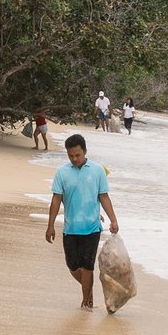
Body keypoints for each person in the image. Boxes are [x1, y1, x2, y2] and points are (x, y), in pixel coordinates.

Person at [44, 133, 118, 311]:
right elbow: (56, 200)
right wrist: (50, 225)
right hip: (71, 228)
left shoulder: (97, 170)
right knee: (72, 265)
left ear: (85, 151)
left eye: (78, 155)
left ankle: (86, 303)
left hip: (92, 227)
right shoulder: (62, 172)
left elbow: (104, 197)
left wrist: (113, 220)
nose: (74, 159)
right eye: (71, 155)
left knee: (87, 265)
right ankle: (89, 290)